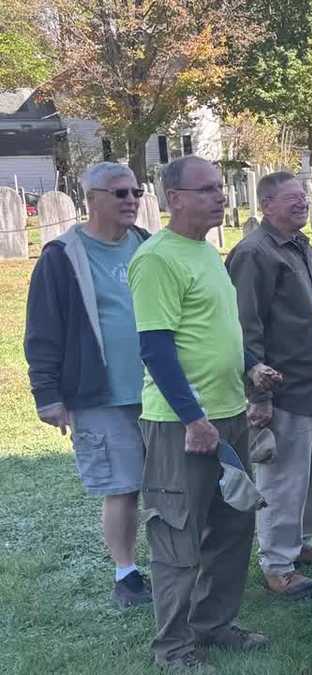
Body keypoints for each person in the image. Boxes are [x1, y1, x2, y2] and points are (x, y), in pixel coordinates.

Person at [129, 156, 273, 669]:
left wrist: (251, 367)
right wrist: (194, 418)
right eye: (208, 189)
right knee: (177, 539)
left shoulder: (207, 252)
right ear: (175, 198)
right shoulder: (156, 258)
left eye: (222, 188)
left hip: (229, 414)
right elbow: (156, 348)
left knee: (233, 528)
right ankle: (173, 647)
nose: (221, 197)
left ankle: (213, 623)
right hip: (180, 425)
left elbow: (217, 332)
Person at [24, 162, 153, 608]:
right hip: (99, 393)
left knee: (173, 482)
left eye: (135, 192)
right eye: (119, 193)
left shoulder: (146, 244)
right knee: (122, 487)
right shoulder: (63, 255)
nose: (131, 200)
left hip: (159, 389)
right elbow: (43, 328)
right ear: (92, 199)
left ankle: (177, 563)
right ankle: (127, 573)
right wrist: (48, 395)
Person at [225, 171, 312, 601]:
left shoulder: (300, 246)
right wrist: (260, 394)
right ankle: (277, 563)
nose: (303, 203)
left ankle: (303, 542)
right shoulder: (255, 253)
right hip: (284, 386)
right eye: (292, 198)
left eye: (304, 196)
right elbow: (245, 326)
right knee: (283, 479)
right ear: (266, 204)